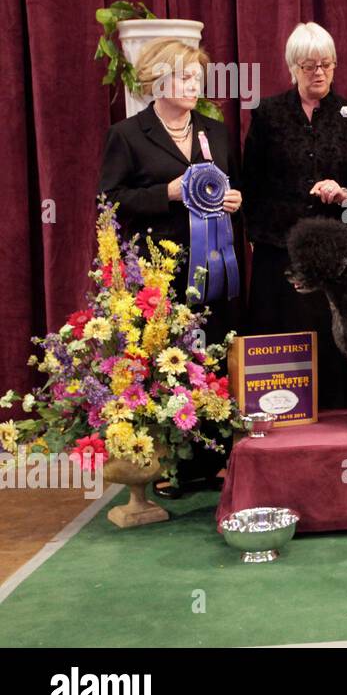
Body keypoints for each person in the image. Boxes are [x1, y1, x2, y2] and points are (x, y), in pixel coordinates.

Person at [98, 36, 242, 495]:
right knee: (172, 366)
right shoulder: (127, 134)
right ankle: (174, 466)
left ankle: (215, 461)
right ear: (158, 81)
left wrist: (235, 199)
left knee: (213, 358)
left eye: (197, 75)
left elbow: (228, 187)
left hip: (216, 266)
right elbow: (111, 203)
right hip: (159, 274)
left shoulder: (215, 130)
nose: (193, 83)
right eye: (183, 76)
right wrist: (168, 193)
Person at [241, 22, 347, 410]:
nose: (318, 73)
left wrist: (346, 192)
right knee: (281, 333)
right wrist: (255, 234)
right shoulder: (267, 114)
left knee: (336, 335)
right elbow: (252, 181)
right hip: (278, 247)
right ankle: (278, 414)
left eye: (326, 64)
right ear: (291, 67)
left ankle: (339, 414)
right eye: (308, 65)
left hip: (337, 249)